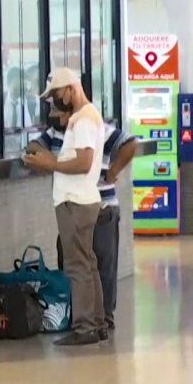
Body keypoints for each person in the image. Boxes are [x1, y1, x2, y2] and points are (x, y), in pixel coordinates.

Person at [30, 104, 138, 333]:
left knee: (101, 267)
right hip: (74, 206)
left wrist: (113, 171)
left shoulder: (95, 128)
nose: (51, 115)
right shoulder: (56, 132)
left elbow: (131, 144)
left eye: (55, 110)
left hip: (103, 207)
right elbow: (33, 146)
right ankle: (87, 318)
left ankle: (102, 319)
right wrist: (51, 159)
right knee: (80, 267)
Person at [21, 67, 106, 346]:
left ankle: (84, 329)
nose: (54, 101)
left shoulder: (83, 120)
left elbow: (84, 163)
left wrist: (51, 164)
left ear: (70, 88)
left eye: (56, 94)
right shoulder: (84, 118)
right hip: (82, 200)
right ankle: (98, 323)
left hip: (75, 202)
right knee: (88, 264)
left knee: (78, 266)